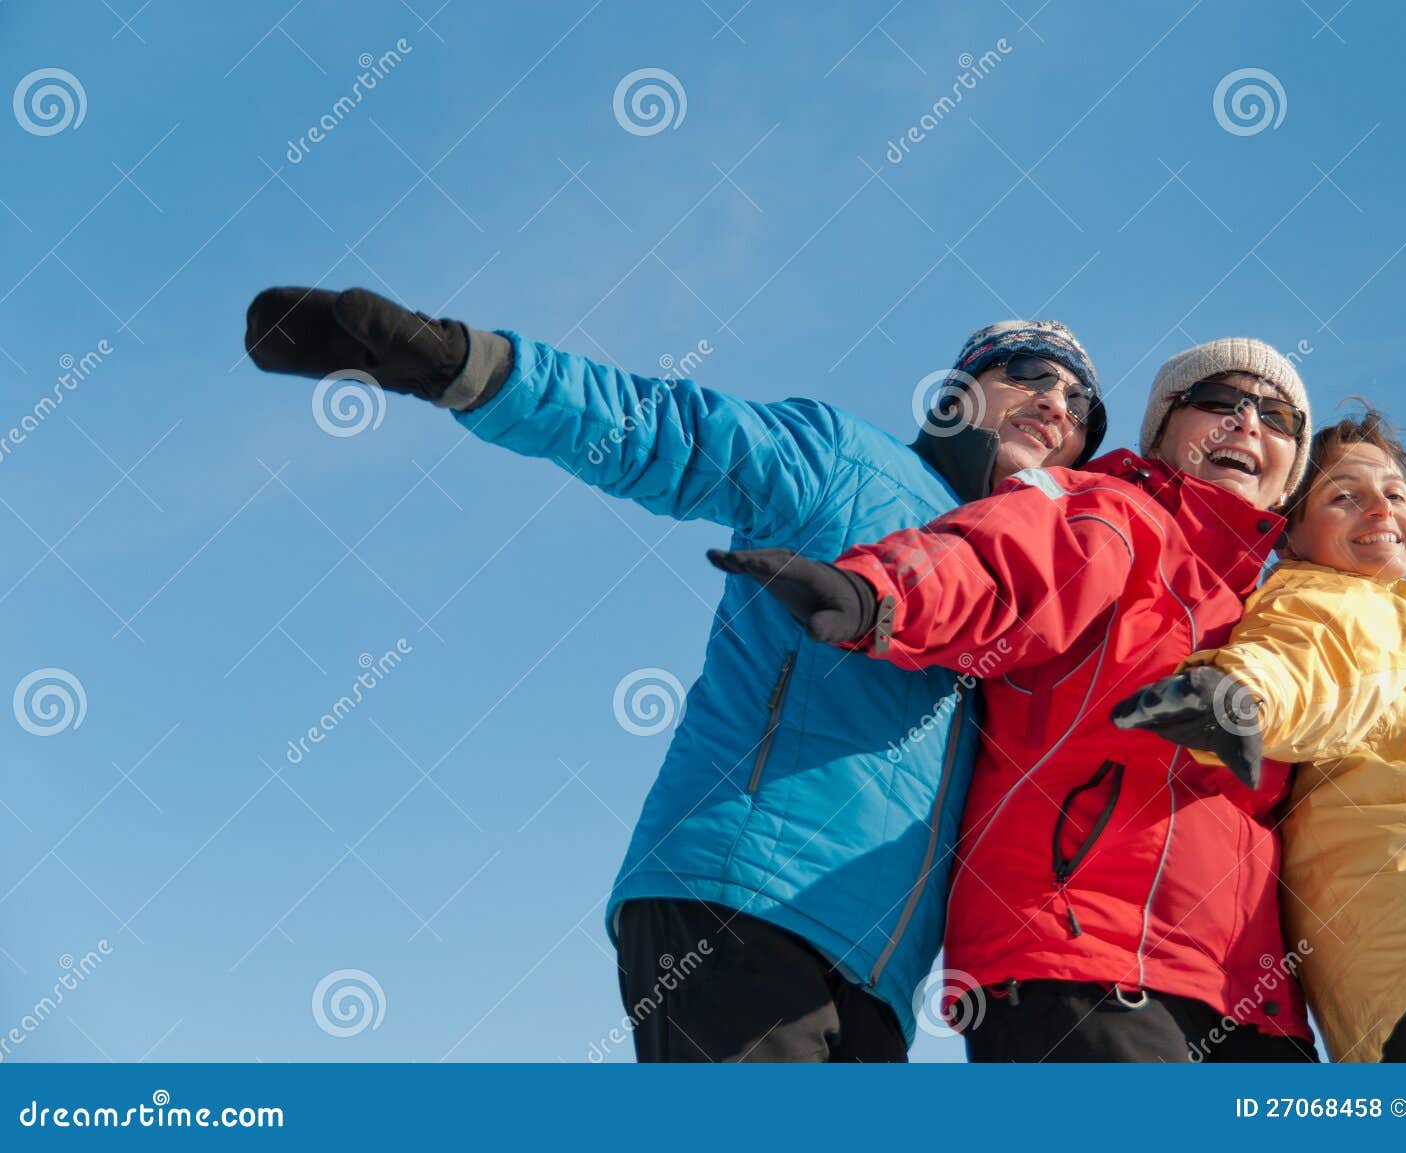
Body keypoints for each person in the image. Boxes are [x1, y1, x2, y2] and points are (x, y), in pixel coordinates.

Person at [243, 287, 1105, 1061]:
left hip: (882, 975)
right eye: (1029, 372)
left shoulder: (1045, 603)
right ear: (963, 390)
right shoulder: (847, 465)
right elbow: (663, 432)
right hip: (741, 901)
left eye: (1080, 403)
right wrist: (459, 363)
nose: (1055, 402)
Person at [712, 338, 1319, 1061]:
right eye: (1220, 401)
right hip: (1082, 963)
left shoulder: (1290, 612)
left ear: (1291, 478)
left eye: (1277, 416)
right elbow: (1002, 563)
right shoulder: (1113, 513)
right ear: (1162, 432)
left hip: (1252, 1001)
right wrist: (881, 594)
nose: (1248, 422)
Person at [1113, 407, 1406, 1061]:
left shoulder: (1390, 617)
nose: (1380, 510)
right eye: (1344, 498)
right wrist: (1237, 699)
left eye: (1395, 494)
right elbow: (1303, 663)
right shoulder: (1328, 603)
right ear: (1291, 534)